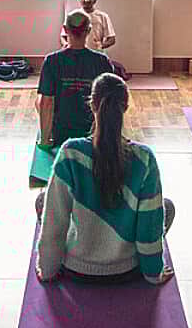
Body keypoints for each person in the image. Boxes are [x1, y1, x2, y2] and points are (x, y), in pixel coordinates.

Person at [36, 73, 174, 284]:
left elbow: (55, 224)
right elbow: (149, 228)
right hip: (127, 271)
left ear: (92, 105)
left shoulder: (71, 153)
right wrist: (154, 274)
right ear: (125, 107)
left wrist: (47, 271)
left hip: (76, 269)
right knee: (166, 207)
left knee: (43, 200)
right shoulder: (144, 159)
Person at [38, 9, 114, 146]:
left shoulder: (51, 61)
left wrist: (44, 139)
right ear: (89, 30)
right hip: (91, 134)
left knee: (40, 99)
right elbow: (110, 103)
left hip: (61, 133)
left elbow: (46, 102)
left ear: (65, 30)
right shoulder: (102, 61)